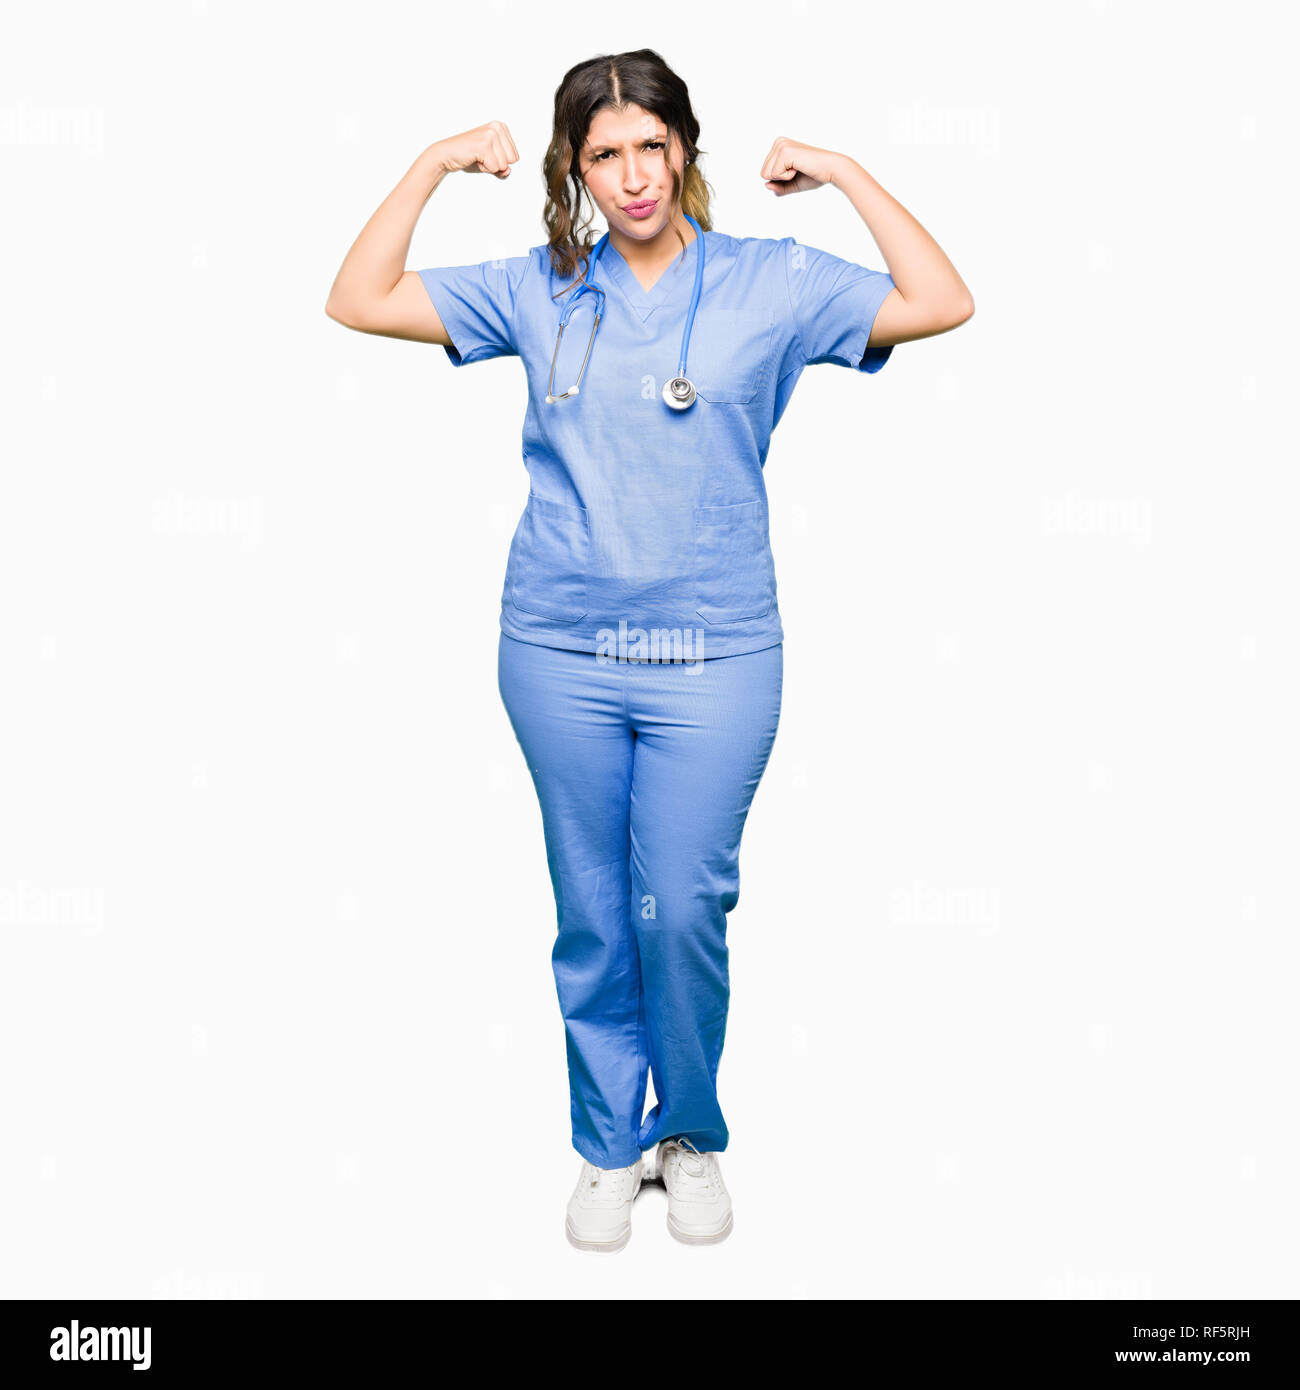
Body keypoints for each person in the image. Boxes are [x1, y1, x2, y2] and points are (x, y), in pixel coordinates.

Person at [324, 48, 973, 1253]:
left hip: (716, 650)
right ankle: (604, 1146)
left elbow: (939, 302)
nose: (632, 177)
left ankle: (688, 1131)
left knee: (681, 901)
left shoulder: (767, 282)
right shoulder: (539, 286)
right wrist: (427, 164)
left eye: (652, 147)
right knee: (591, 909)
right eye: (604, 154)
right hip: (558, 649)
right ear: (576, 168)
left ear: (685, 149)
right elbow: (359, 299)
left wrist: (843, 170)